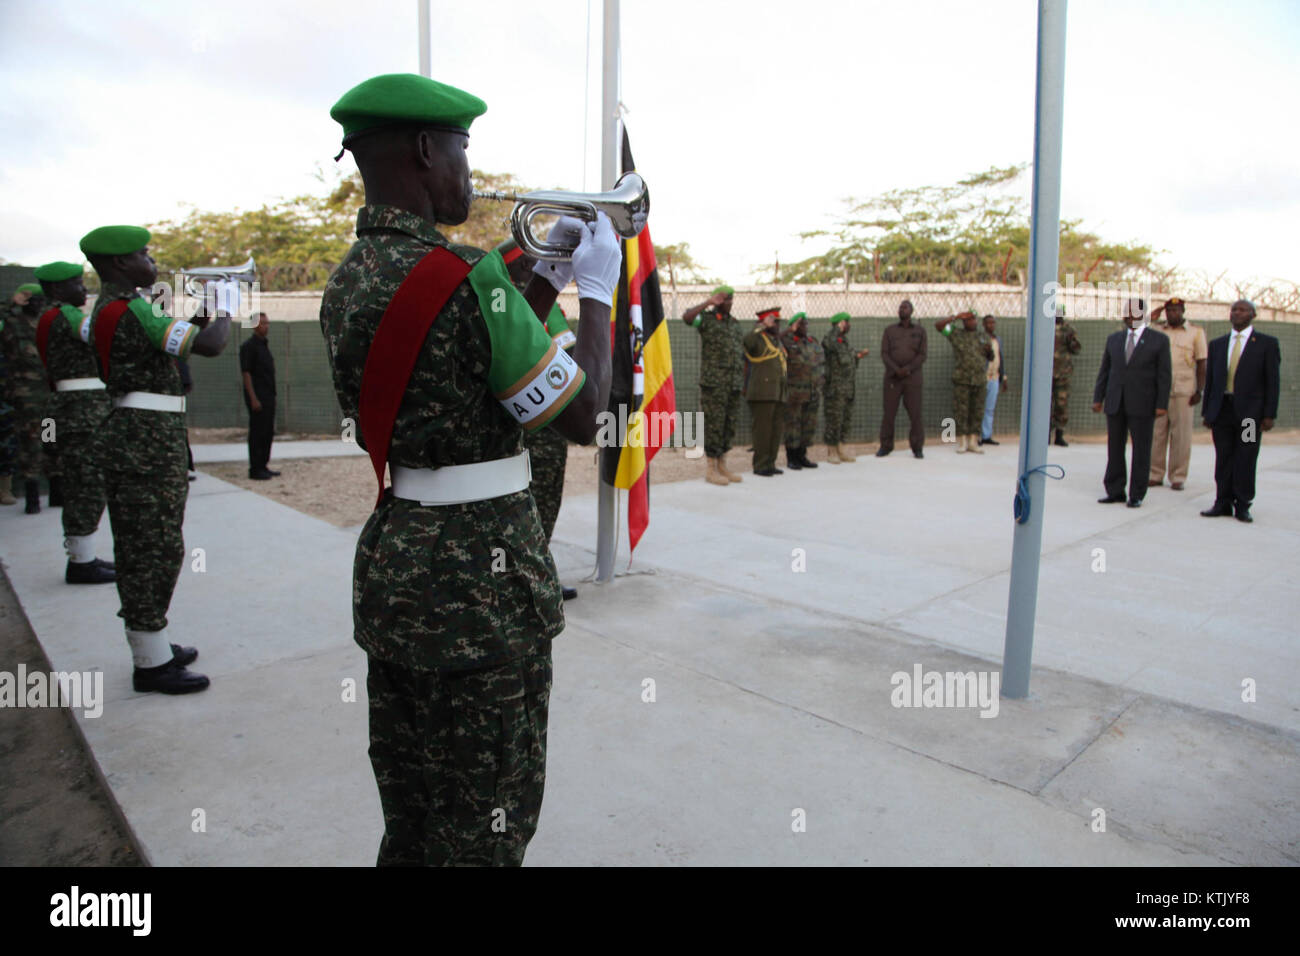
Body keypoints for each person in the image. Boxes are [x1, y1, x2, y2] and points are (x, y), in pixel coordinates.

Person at [320, 73, 616, 866]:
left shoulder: (348, 281)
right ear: (424, 149)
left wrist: (540, 280)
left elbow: (459, 352)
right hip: (482, 590)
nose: (469, 174)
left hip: (400, 562)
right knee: (487, 820)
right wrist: (596, 295)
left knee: (414, 818)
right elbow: (585, 418)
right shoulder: (467, 279)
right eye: (460, 150)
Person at [83, 224, 231, 694]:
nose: (152, 259)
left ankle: (154, 644)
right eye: (144, 253)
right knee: (153, 548)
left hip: (140, 438)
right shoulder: (132, 310)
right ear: (120, 264)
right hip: (144, 443)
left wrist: (206, 311)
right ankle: (150, 664)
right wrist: (228, 305)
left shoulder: (117, 309)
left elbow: (185, 336)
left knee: (147, 544)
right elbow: (211, 346)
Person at [505, 243, 579, 600]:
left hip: (542, 428)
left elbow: (568, 351)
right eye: (531, 259)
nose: (539, 265)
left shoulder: (529, 305)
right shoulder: (512, 304)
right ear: (516, 266)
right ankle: (528, 581)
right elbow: (572, 357)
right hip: (537, 430)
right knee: (536, 504)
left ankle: (537, 575)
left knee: (539, 505)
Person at [34, 261, 115, 583]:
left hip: (70, 410)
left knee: (83, 484)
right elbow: (99, 335)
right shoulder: (65, 315)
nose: (83, 290)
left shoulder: (49, 316)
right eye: (77, 284)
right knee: (86, 486)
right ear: (57, 289)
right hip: (80, 413)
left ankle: (84, 556)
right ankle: (81, 562)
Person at [1199, 300, 1280, 523]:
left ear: (1253, 314)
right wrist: (1208, 412)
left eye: (1242, 309)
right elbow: (1212, 381)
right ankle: (1222, 502)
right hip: (1222, 411)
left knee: (1246, 457)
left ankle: (1243, 504)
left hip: (1250, 416)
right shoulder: (1218, 344)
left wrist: (1269, 414)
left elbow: (1273, 382)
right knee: (1223, 457)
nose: (1237, 313)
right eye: (1234, 309)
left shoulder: (1266, 344)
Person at [1092, 298, 1171, 507]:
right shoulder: (1114, 339)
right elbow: (1105, 371)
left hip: (1143, 403)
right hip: (1116, 402)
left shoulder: (1159, 340)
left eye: (1134, 313)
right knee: (1115, 448)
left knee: (1141, 450)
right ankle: (1115, 490)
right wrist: (1098, 398)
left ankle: (1136, 493)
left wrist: (1161, 404)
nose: (1129, 317)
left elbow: (1164, 376)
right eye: (1127, 313)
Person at [2, 282, 61, 513]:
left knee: (50, 440)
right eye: (32, 300)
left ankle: (56, 491)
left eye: (40, 300)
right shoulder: (12, 323)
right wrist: (10, 304)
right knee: (29, 444)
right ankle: (32, 496)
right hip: (24, 396)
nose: (37, 304)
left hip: (48, 394)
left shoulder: (48, 324)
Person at [682, 286, 744, 485]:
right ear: (718, 301)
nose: (729, 303)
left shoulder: (734, 324)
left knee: (728, 425)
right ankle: (710, 469)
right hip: (714, 384)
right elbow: (687, 318)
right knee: (714, 425)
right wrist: (708, 302)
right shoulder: (706, 320)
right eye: (726, 299)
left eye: (731, 300)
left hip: (733, 383)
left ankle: (722, 465)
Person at [1147, 297, 1206, 490]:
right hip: (1158, 391)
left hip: (1184, 391)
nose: (1172, 314)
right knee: (1156, 434)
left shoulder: (1196, 333)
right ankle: (1155, 474)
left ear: (1183, 311)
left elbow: (1202, 362)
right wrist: (1150, 317)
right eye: (1169, 310)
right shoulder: (1157, 330)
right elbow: (1136, 330)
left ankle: (1178, 476)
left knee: (1181, 436)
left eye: (1176, 310)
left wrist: (1199, 389)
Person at [936, 311, 994, 454]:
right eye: (968, 320)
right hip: (962, 380)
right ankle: (962, 442)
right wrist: (954, 317)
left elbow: (991, 357)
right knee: (961, 412)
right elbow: (938, 326)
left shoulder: (983, 336)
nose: (972, 322)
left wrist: (989, 352)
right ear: (963, 321)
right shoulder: (956, 333)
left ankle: (973, 442)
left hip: (979, 380)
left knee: (977, 411)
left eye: (973, 319)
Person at [878, 299, 927, 458]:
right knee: (889, 413)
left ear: (911, 311)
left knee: (915, 414)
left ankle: (917, 447)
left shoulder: (920, 331)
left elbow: (922, 355)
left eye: (905, 307)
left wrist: (907, 369)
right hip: (893, 378)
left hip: (913, 378)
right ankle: (886, 446)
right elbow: (884, 353)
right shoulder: (889, 330)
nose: (902, 309)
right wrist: (896, 369)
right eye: (900, 307)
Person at [743, 306, 788, 475]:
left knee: (775, 431)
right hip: (762, 391)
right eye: (774, 322)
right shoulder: (758, 338)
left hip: (778, 391)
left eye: (777, 322)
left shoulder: (776, 340)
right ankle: (760, 465)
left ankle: (770, 462)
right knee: (763, 430)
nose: (777, 325)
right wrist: (761, 326)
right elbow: (747, 342)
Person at [822, 312, 868, 463]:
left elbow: (848, 357)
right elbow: (830, 349)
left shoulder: (843, 341)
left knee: (845, 420)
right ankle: (831, 451)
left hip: (848, 387)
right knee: (833, 420)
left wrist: (858, 355)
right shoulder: (831, 339)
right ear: (841, 323)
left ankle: (841, 449)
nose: (849, 325)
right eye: (847, 322)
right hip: (835, 388)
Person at [239, 312, 279, 480]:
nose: (266, 326)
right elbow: (246, 373)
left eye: (267, 323)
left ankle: (263, 464)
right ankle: (255, 468)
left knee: (267, 432)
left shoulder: (264, 346)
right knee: (257, 432)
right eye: (263, 323)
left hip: (269, 395)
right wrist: (253, 398)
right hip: (258, 396)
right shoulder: (249, 347)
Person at [780, 312, 819, 469]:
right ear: (794, 325)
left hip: (812, 391)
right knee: (793, 426)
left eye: (806, 324)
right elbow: (774, 339)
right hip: (794, 392)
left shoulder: (812, 342)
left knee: (808, 425)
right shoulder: (786, 341)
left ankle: (802, 456)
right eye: (802, 324)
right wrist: (789, 330)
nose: (805, 327)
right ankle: (792, 458)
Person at [1052, 306, 1082, 446]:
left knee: (1061, 404)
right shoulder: (1045, 327)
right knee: (1044, 405)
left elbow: (1076, 350)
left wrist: (1072, 341)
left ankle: (1059, 434)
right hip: (1047, 373)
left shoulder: (1069, 330)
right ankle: (1044, 434)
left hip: (1063, 373)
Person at [979, 314, 1007, 446]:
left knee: (989, 408)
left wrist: (1004, 376)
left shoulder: (997, 339)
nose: (992, 325)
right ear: (984, 325)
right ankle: (976, 436)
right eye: (989, 323)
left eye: (993, 323)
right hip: (982, 377)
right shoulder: (980, 338)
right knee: (979, 406)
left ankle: (986, 435)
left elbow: (1000, 358)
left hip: (994, 377)